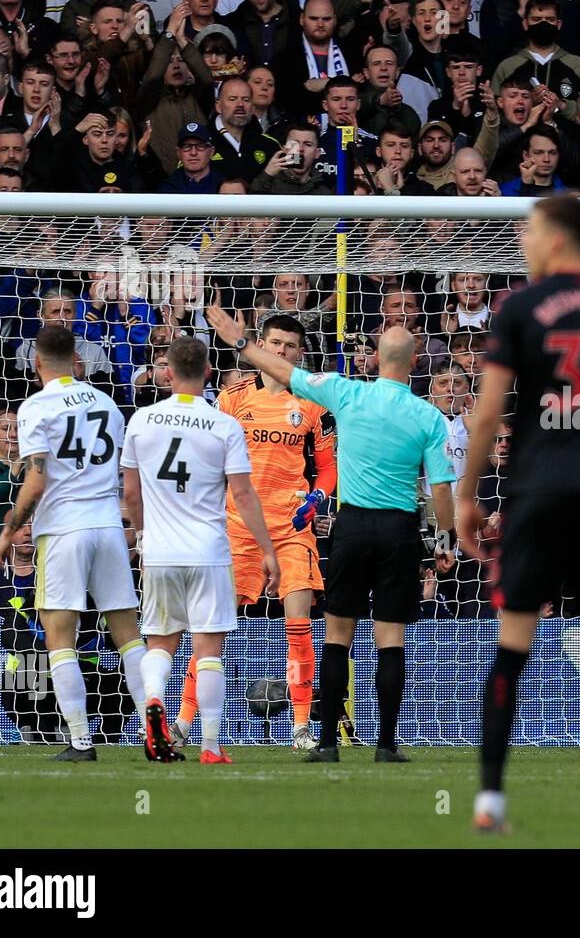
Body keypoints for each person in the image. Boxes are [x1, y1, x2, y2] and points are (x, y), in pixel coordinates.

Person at [455, 195, 580, 834]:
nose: (523, 239)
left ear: (555, 235)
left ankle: (490, 799)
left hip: (538, 493)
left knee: (513, 645)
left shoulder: (520, 307)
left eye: (529, 229)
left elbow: (488, 414)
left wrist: (466, 494)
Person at [204, 307, 456, 765]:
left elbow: (284, 372)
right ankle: (386, 745)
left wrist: (242, 343)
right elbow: (441, 488)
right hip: (399, 529)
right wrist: (446, 540)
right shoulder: (428, 416)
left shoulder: (344, 393)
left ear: (375, 357)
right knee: (390, 638)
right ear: (416, 359)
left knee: (338, 635)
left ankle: (324, 743)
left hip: (353, 527)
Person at [170, 314, 336, 752]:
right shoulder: (230, 399)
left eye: (289, 346)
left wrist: (317, 500)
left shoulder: (314, 403)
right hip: (237, 529)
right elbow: (208, 463)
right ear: (260, 344)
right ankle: (185, 721)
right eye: (275, 343)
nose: (281, 352)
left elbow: (329, 468)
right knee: (212, 630)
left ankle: (301, 726)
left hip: (291, 529)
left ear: (300, 354)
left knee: (298, 626)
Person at [0, 326, 149, 761]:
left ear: (36, 362)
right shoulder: (107, 404)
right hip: (109, 528)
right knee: (129, 636)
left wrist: (8, 532)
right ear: (77, 360)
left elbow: (37, 480)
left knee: (59, 635)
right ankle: (154, 730)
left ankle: (80, 741)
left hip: (64, 530)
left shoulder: (36, 407)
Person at [121, 336, 280, 764]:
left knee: (159, 644)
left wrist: (142, 534)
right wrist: (267, 549)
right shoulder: (224, 424)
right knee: (208, 651)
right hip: (209, 550)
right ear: (209, 372)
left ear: (167, 372)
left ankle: (152, 705)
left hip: (161, 551)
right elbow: (243, 494)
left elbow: (131, 493)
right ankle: (210, 746)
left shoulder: (141, 420)